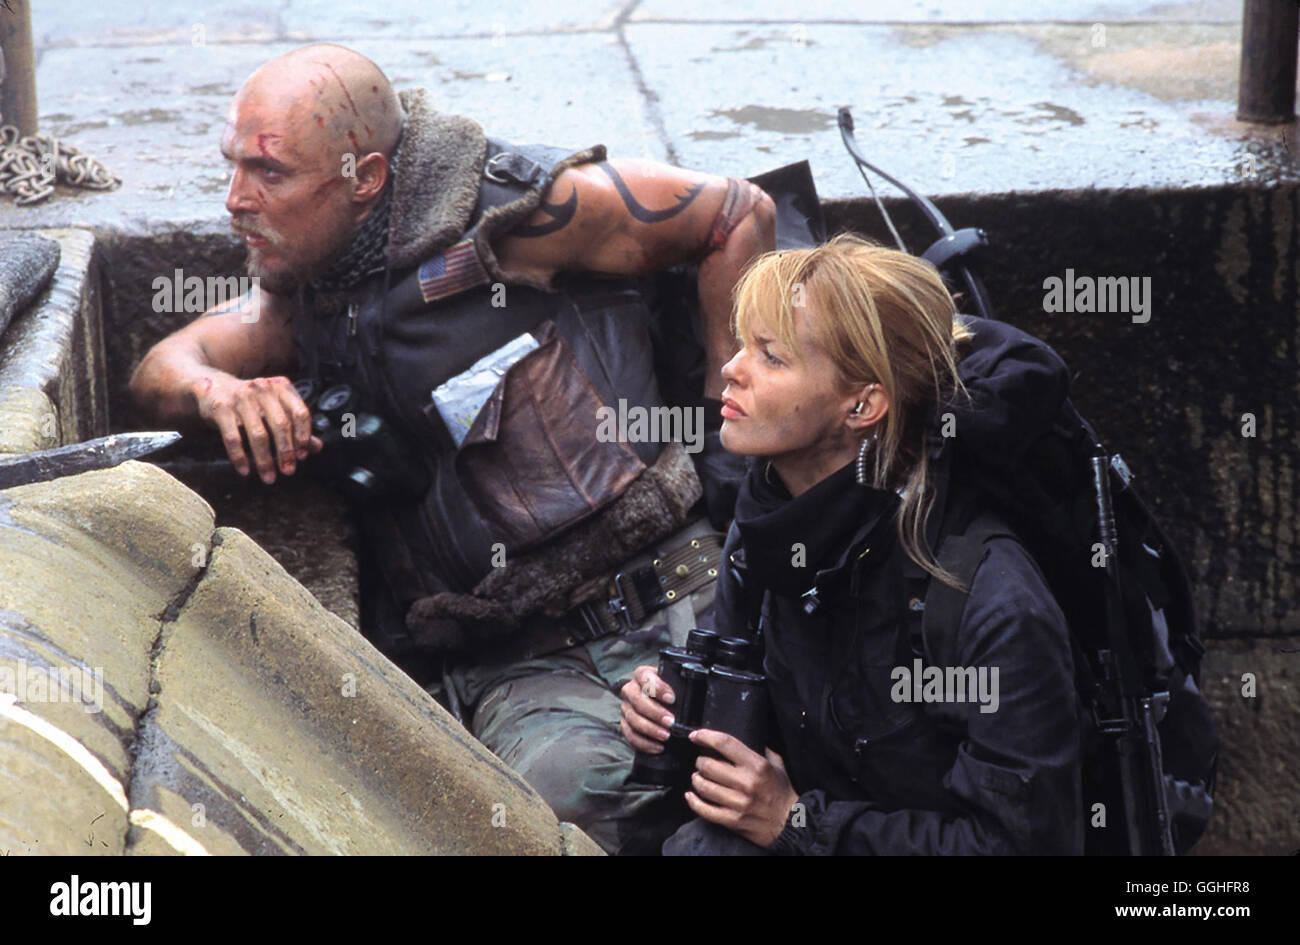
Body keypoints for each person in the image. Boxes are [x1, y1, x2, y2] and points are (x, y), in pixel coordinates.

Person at [128, 43, 783, 854]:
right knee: (553, 813)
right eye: (232, 167)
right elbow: (162, 371)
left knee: (783, 763)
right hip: (519, 665)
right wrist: (219, 393)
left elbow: (735, 213)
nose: (236, 201)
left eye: (270, 174)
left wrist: (735, 435)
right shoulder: (310, 297)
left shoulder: (516, 218)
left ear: (364, 177)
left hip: (680, 591)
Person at [619, 234, 1086, 854]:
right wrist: (671, 722)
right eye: (741, 344)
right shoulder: (762, 537)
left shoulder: (986, 598)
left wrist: (799, 823)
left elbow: (1021, 845)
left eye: (771, 357)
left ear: (862, 404)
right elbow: (738, 758)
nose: (731, 368)